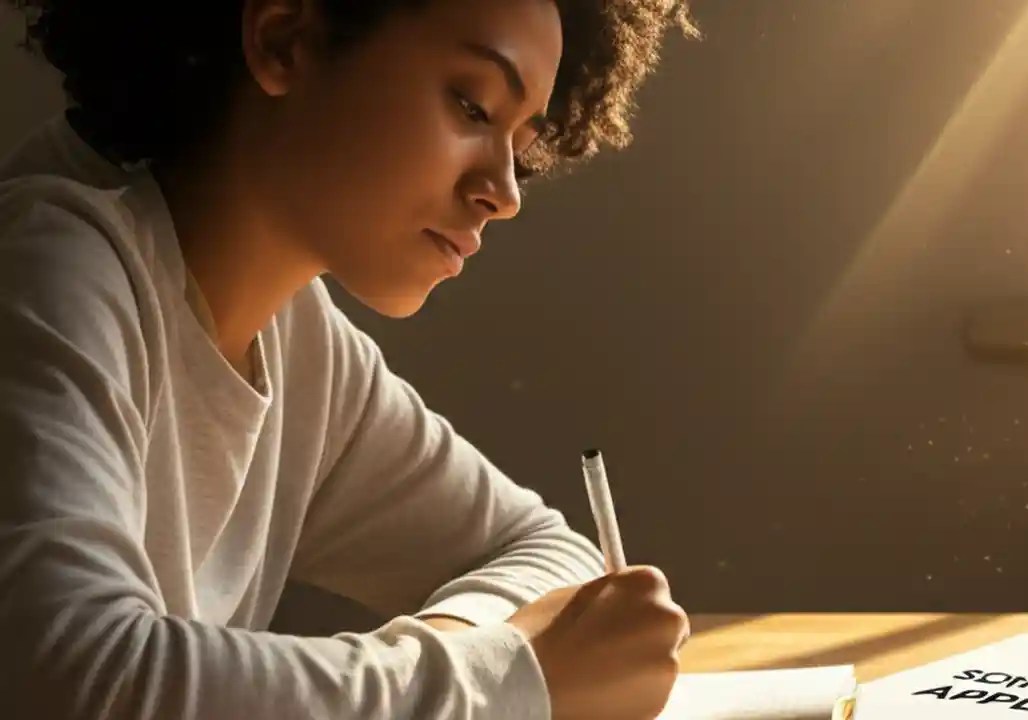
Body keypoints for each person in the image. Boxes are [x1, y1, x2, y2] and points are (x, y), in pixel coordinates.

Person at [0, 0, 696, 718]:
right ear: (285, 41)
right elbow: (68, 676)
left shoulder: (301, 346)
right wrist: (496, 683)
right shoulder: (47, 269)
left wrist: (471, 665)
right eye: (472, 105)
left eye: (521, 141)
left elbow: (546, 550)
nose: (505, 193)